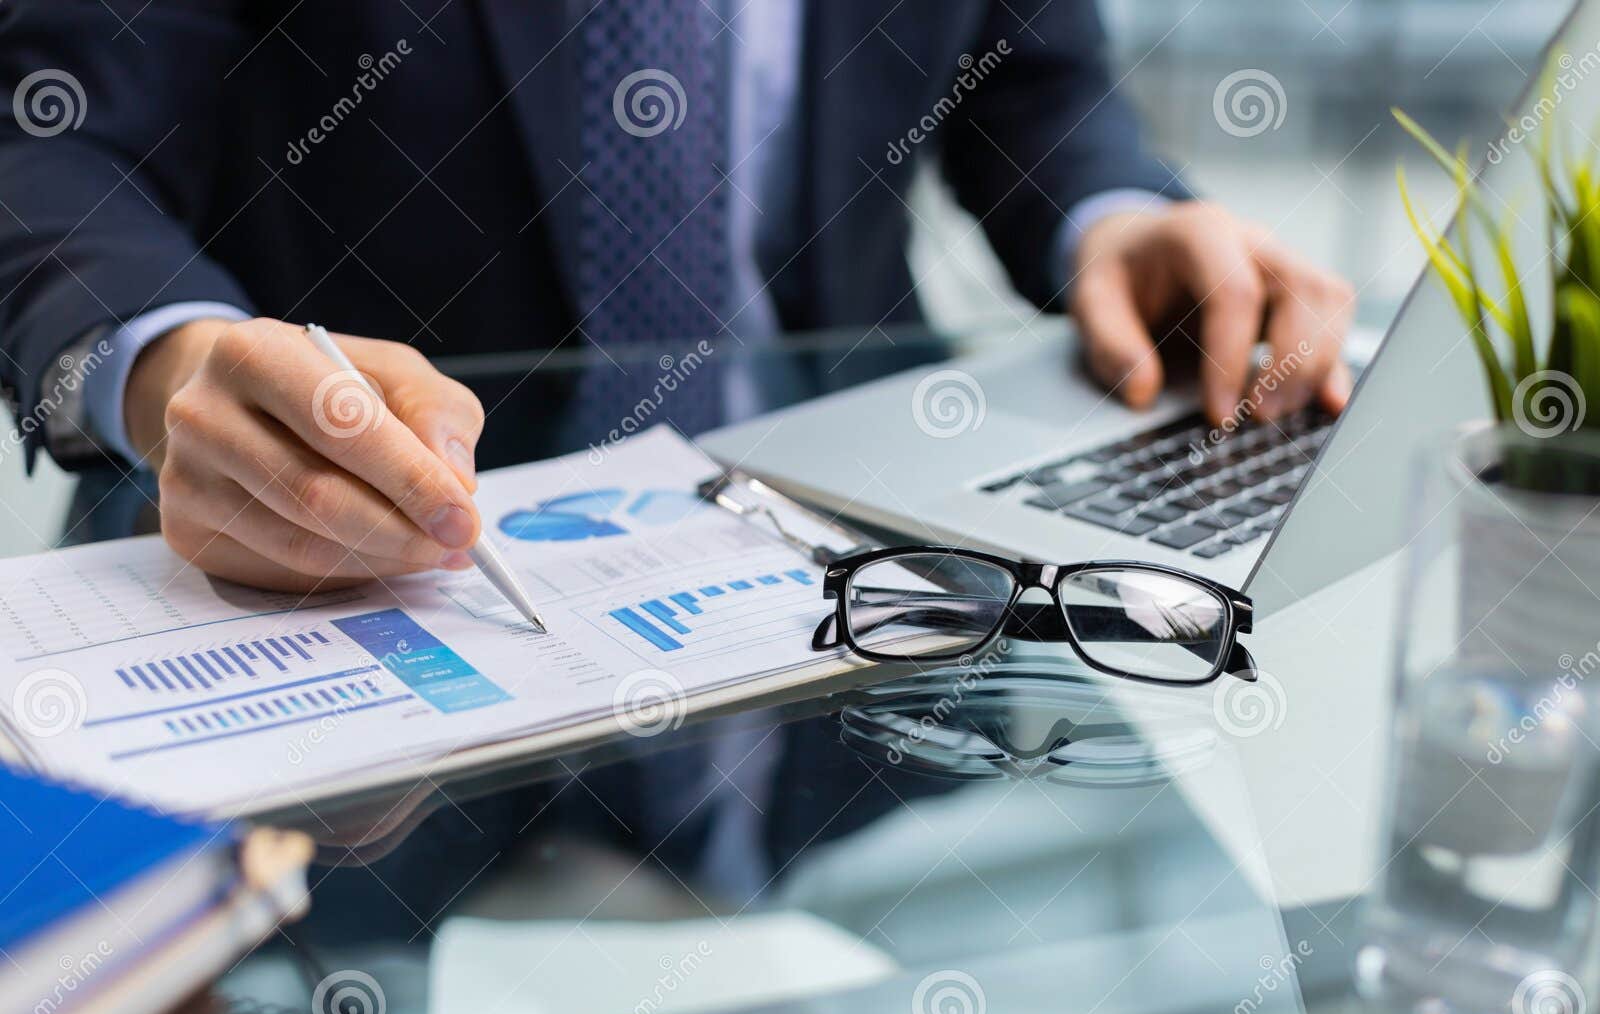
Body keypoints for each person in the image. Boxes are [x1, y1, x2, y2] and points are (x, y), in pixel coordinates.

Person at [0, 1, 1354, 595]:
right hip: (366, 576)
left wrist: (1117, 214)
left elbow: (1031, 70)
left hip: (875, 566)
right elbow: (51, 135)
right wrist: (175, 361)